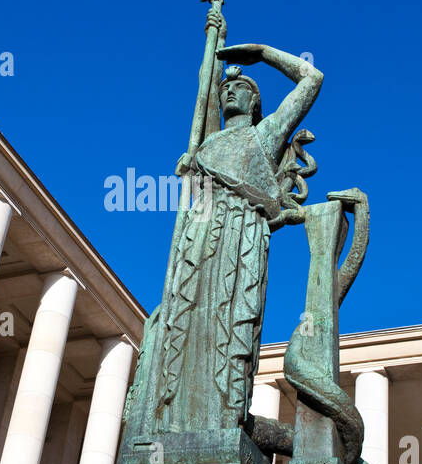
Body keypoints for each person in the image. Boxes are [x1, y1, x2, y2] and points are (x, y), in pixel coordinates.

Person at [125, 42, 323, 437]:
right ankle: (175, 423)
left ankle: (222, 418)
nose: (229, 91)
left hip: (239, 234)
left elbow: (312, 79)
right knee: (185, 322)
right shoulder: (207, 145)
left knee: (228, 322)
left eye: (242, 87)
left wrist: (264, 54)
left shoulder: (265, 135)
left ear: (255, 102)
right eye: (224, 90)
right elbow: (207, 84)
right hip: (197, 238)